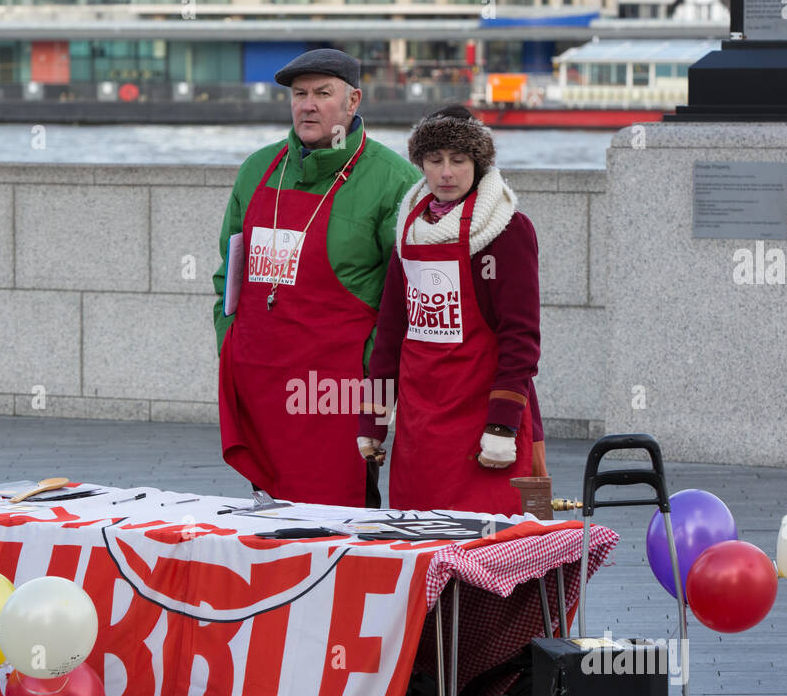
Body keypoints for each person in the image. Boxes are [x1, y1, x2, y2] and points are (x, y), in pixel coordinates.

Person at [213, 48, 423, 508]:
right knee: (267, 520)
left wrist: (369, 370)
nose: (307, 105)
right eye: (299, 94)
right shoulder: (257, 169)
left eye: (322, 94)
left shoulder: (394, 179)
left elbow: (409, 292)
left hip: (339, 390)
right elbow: (229, 270)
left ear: (353, 101)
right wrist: (229, 344)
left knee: (342, 519)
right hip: (260, 379)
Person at [356, 105, 548, 515]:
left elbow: (521, 339)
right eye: (434, 159)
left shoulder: (509, 230)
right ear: (420, 164)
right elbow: (390, 333)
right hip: (420, 424)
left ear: (477, 164)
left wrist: (502, 426)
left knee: (491, 542)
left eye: (458, 160)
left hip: (485, 421)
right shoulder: (408, 229)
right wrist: (373, 419)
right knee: (419, 538)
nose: (446, 173)